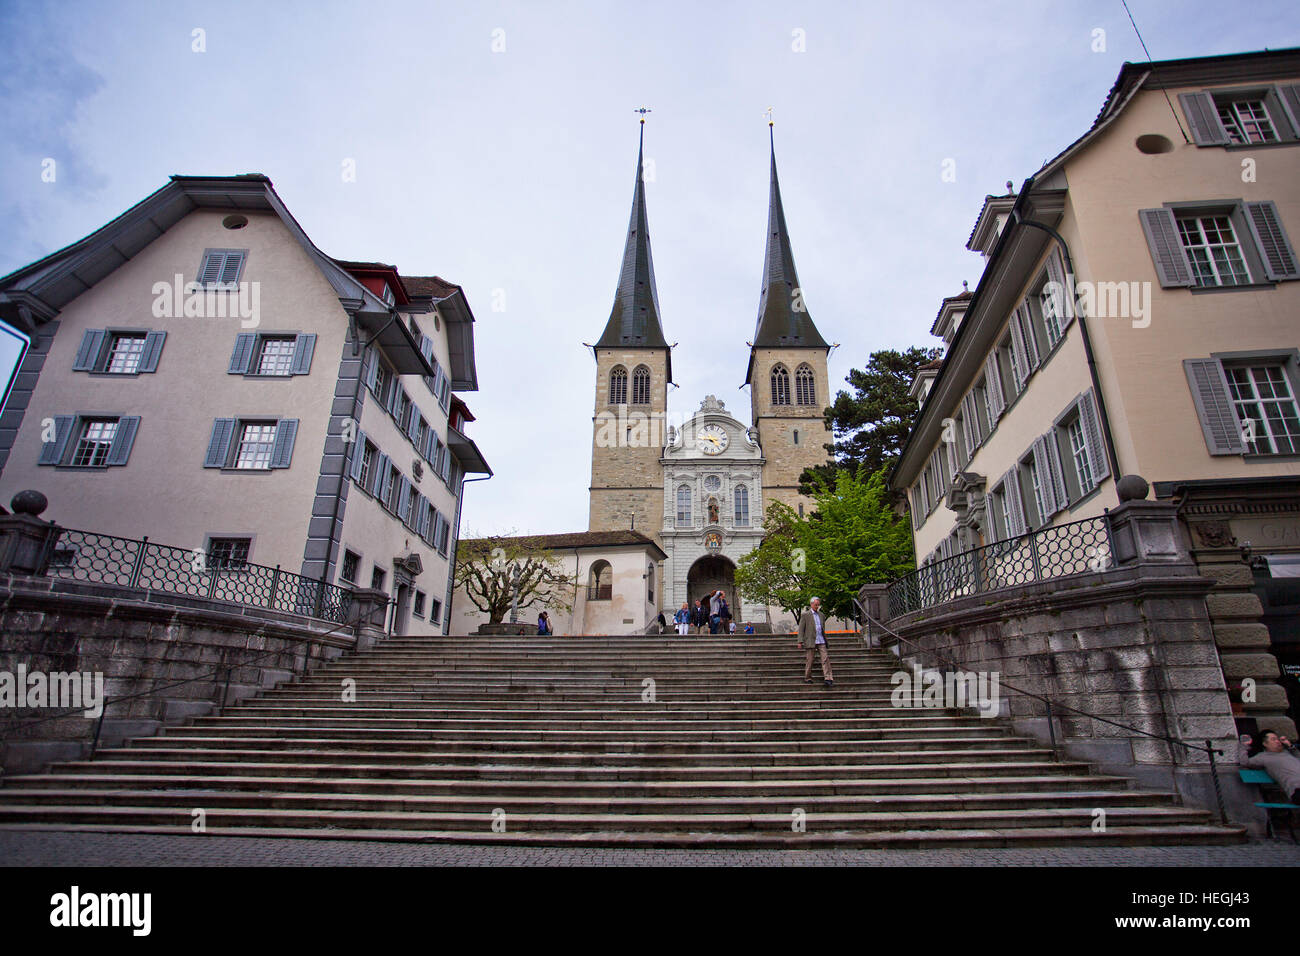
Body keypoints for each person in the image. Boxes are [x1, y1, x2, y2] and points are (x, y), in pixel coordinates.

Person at [1240, 729, 1300, 805]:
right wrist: (1243, 746)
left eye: (1278, 739)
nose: (1278, 741)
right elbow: (1245, 763)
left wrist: (1290, 746)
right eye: (1273, 739)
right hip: (1297, 790)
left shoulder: (1287, 752)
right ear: (1265, 744)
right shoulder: (1263, 757)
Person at [796, 596, 834, 688]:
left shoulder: (821, 615)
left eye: (818, 605)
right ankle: (808, 677)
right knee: (810, 659)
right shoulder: (805, 615)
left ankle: (828, 678)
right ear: (811, 604)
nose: (817, 606)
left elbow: (822, 627)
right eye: (816, 605)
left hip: (821, 639)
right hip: (810, 640)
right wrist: (800, 641)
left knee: (825, 658)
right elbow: (801, 629)